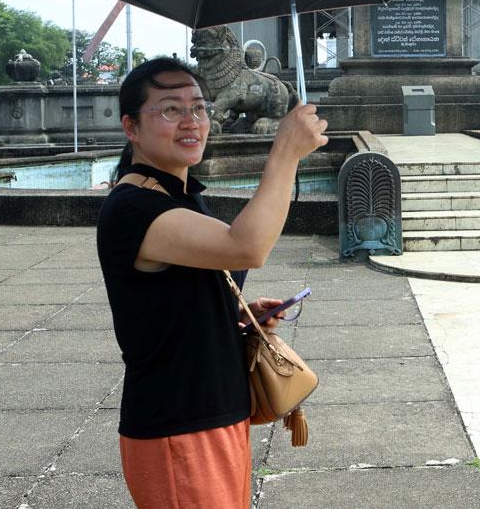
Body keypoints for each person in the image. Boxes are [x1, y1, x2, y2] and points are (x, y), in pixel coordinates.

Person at [96, 57, 328, 507]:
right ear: (131, 126)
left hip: (215, 412)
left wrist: (232, 314)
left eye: (199, 108)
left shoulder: (177, 195)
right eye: (170, 109)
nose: (191, 121)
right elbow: (247, 248)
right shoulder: (133, 208)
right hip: (179, 423)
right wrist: (284, 153)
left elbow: (168, 296)